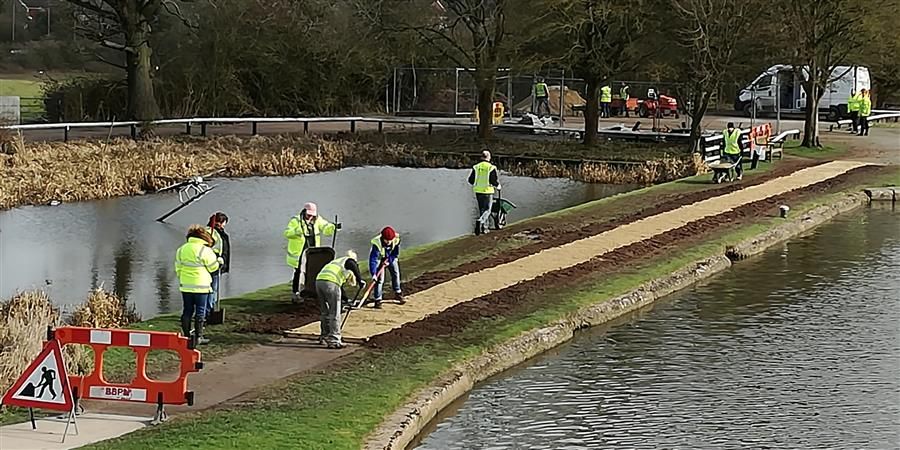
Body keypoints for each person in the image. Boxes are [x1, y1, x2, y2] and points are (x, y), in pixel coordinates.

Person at [175, 225, 221, 345]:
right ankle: (199, 337)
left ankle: (186, 336)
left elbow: (178, 267)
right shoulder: (205, 251)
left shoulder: (182, 249)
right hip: (201, 286)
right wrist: (219, 262)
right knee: (200, 311)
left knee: (187, 311)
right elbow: (212, 267)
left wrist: (183, 278)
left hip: (185, 286)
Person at [284, 202, 339, 301]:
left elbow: (325, 227)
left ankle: (310, 292)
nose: (310, 217)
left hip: (312, 251)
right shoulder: (296, 221)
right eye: (308, 214)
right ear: (304, 211)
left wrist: (333, 227)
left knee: (313, 271)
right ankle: (296, 293)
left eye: (312, 215)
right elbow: (287, 233)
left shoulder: (317, 219)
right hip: (299, 252)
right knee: (299, 272)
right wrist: (297, 232)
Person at [315, 250, 365, 349]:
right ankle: (334, 340)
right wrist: (360, 280)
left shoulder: (336, 263)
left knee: (325, 312)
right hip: (331, 283)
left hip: (319, 282)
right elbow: (352, 264)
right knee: (334, 312)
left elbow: (340, 288)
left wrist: (346, 300)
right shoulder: (349, 260)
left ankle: (324, 336)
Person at [368, 226, 403, 309]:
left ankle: (398, 293)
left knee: (396, 274)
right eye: (386, 240)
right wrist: (374, 274)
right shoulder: (377, 244)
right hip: (380, 258)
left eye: (390, 240)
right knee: (379, 280)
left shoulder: (396, 240)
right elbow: (373, 259)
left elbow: (395, 253)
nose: (388, 242)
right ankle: (378, 300)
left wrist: (389, 260)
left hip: (391, 257)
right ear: (382, 238)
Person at [468, 150, 500, 236]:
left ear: (481, 157)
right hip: (488, 191)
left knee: (482, 209)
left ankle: (484, 228)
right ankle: (481, 221)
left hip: (478, 191)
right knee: (487, 210)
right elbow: (493, 180)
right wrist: (498, 185)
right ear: (489, 157)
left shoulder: (476, 167)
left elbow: (470, 180)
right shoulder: (491, 167)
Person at [205, 211, 230, 317]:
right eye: (224, 222)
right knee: (212, 289)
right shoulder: (213, 233)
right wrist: (219, 260)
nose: (224, 225)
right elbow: (217, 249)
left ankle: (208, 309)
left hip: (215, 263)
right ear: (221, 222)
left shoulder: (215, 232)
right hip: (213, 264)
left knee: (211, 288)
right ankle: (209, 310)